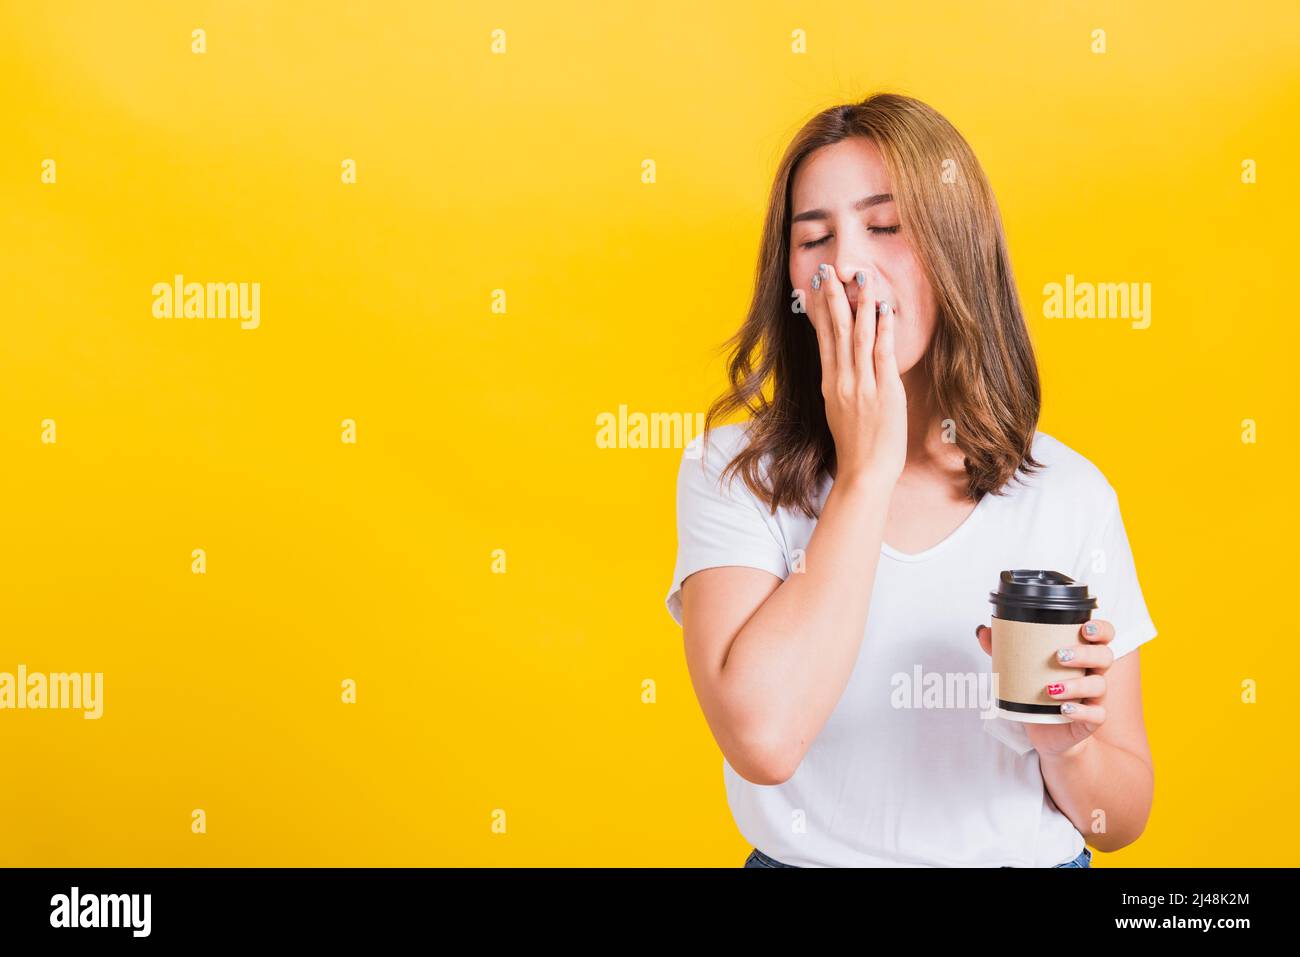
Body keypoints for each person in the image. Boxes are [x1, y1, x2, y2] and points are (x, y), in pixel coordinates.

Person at [665, 93, 1157, 867]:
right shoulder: (732, 473)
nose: (847, 265)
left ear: (958, 250)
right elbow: (763, 740)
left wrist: (1068, 750)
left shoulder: (1068, 491)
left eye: (885, 226)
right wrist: (865, 473)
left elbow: (1120, 816)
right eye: (814, 238)